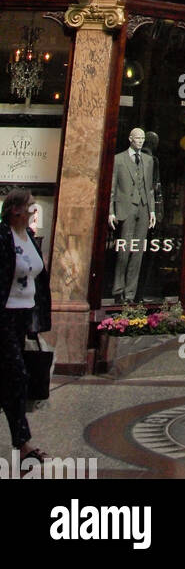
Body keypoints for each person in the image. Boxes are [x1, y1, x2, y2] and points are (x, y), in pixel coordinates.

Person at [0, 189, 49, 463]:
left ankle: (22, 443)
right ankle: (23, 444)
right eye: (30, 205)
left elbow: (38, 277)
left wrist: (37, 318)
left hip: (24, 316)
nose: (34, 208)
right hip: (4, 317)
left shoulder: (29, 236)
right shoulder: (2, 236)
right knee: (17, 376)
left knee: (10, 378)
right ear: (15, 210)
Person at [108, 127, 158, 303]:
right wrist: (111, 211)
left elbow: (149, 188)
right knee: (123, 250)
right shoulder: (118, 159)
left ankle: (130, 294)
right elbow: (112, 188)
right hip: (126, 207)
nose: (141, 141)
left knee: (137, 252)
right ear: (130, 139)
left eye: (143, 138)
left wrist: (152, 210)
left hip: (143, 206)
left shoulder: (148, 160)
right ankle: (118, 290)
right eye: (137, 138)